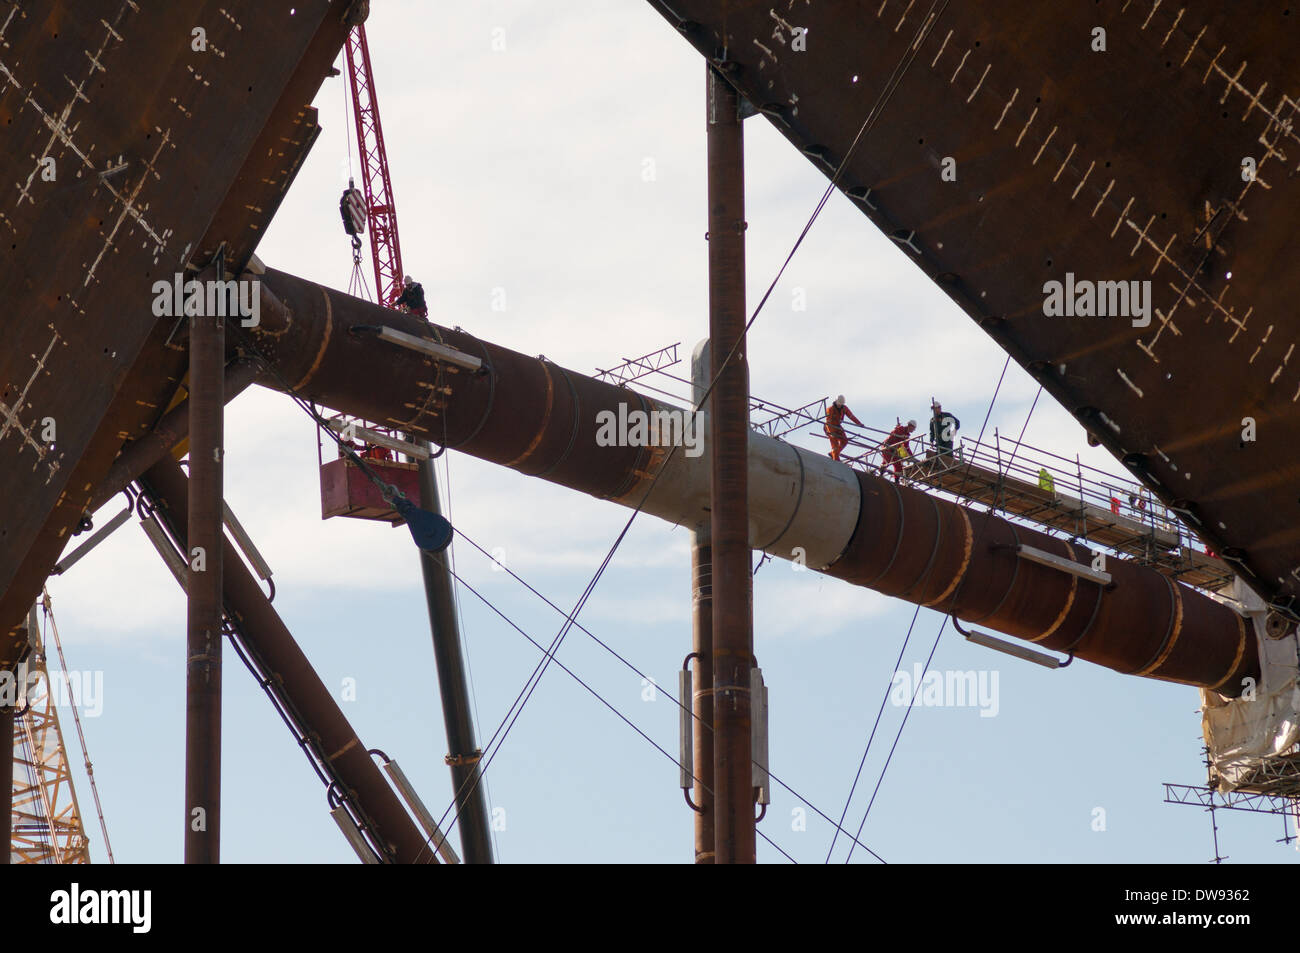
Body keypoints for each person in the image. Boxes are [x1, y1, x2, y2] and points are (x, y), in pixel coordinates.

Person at [824, 395, 863, 462]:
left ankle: (833, 454)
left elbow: (851, 416)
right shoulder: (830, 409)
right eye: (839, 404)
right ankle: (836, 459)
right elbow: (828, 422)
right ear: (836, 402)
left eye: (841, 404)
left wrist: (859, 423)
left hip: (838, 426)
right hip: (830, 427)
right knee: (835, 445)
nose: (840, 405)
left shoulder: (844, 408)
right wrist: (831, 433)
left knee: (844, 441)